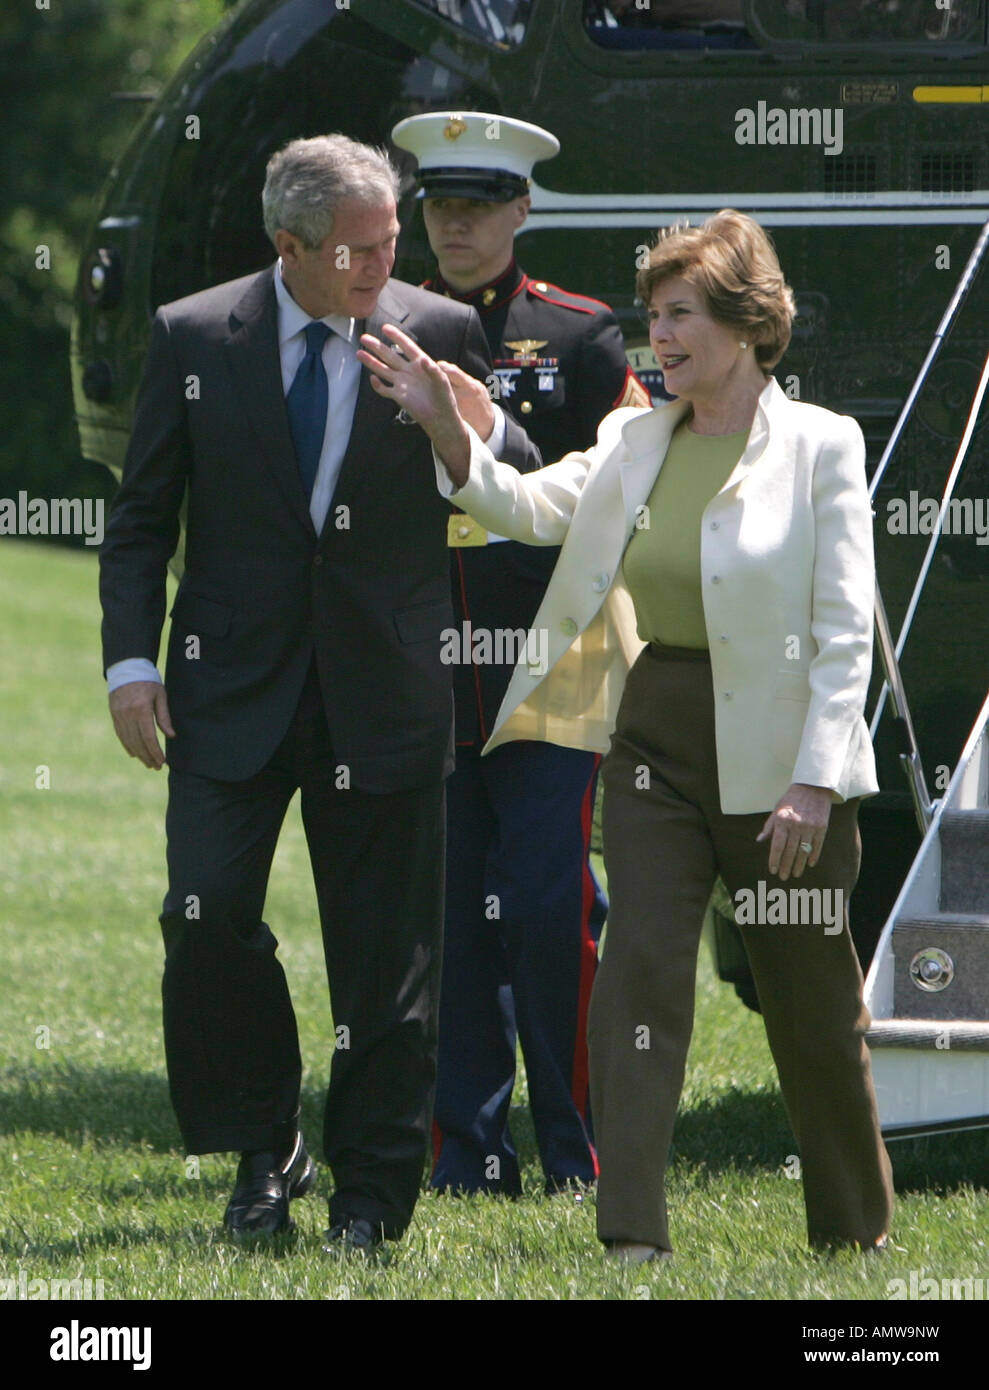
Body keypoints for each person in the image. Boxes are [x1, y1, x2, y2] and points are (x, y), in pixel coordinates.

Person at [356, 209, 896, 1259]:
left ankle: (852, 1228)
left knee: (812, 1011)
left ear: (744, 321)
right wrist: (442, 424)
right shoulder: (630, 438)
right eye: (652, 317)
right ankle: (630, 1237)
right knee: (640, 966)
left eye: (681, 315)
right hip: (655, 740)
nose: (661, 338)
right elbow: (516, 502)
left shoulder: (822, 445)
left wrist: (814, 782)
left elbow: (841, 633)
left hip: (784, 755)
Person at [98, 134, 538, 1255]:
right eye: (358, 249)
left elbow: (515, 475)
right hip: (226, 691)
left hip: (383, 689)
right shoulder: (194, 335)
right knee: (202, 917)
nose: (382, 267)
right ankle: (265, 1142)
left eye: (391, 242)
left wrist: (461, 420)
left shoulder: (436, 328)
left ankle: (369, 1198)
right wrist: (130, 662)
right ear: (286, 246)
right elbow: (143, 517)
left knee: (386, 962)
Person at [390, 109, 651, 1197]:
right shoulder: (385, 324)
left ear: (520, 209)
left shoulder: (584, 336)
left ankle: (571, 1144)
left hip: (549, 665)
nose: (455, 223)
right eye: (438, 203)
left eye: (478, 203)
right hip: (427, 668)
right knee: (447, 915)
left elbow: (613, 491)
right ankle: (465, 1145)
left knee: (548, 908)